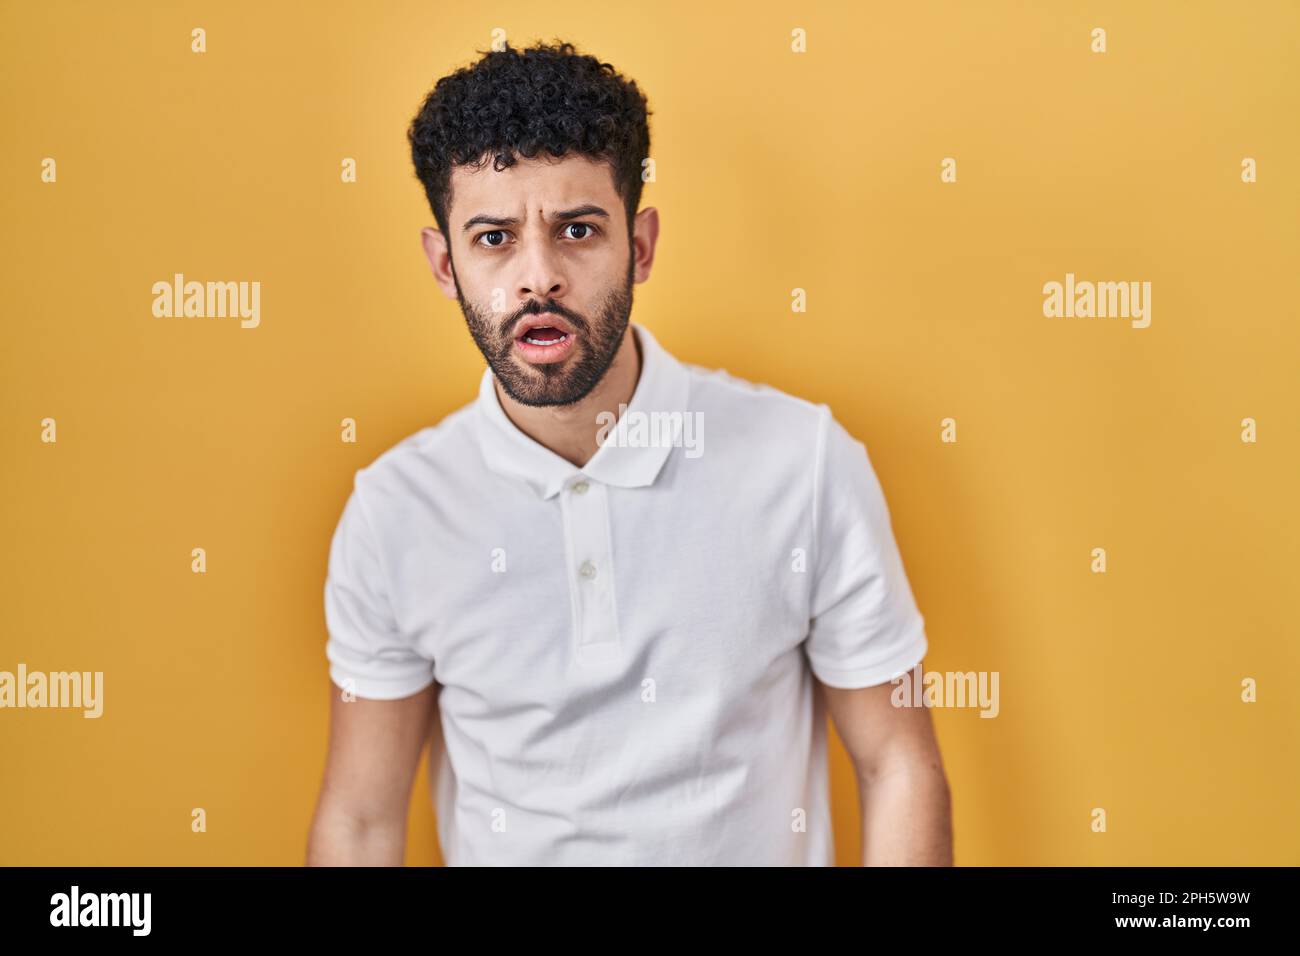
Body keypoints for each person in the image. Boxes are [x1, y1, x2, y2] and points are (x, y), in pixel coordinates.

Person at [306, 39, 951, 866]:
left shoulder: (804, 464)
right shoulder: (395, 513)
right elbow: (361, 819)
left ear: (639, 246)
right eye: (494, 238)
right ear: (445, 264)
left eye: (577, 230)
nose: (538, 278)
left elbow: (898, 763)